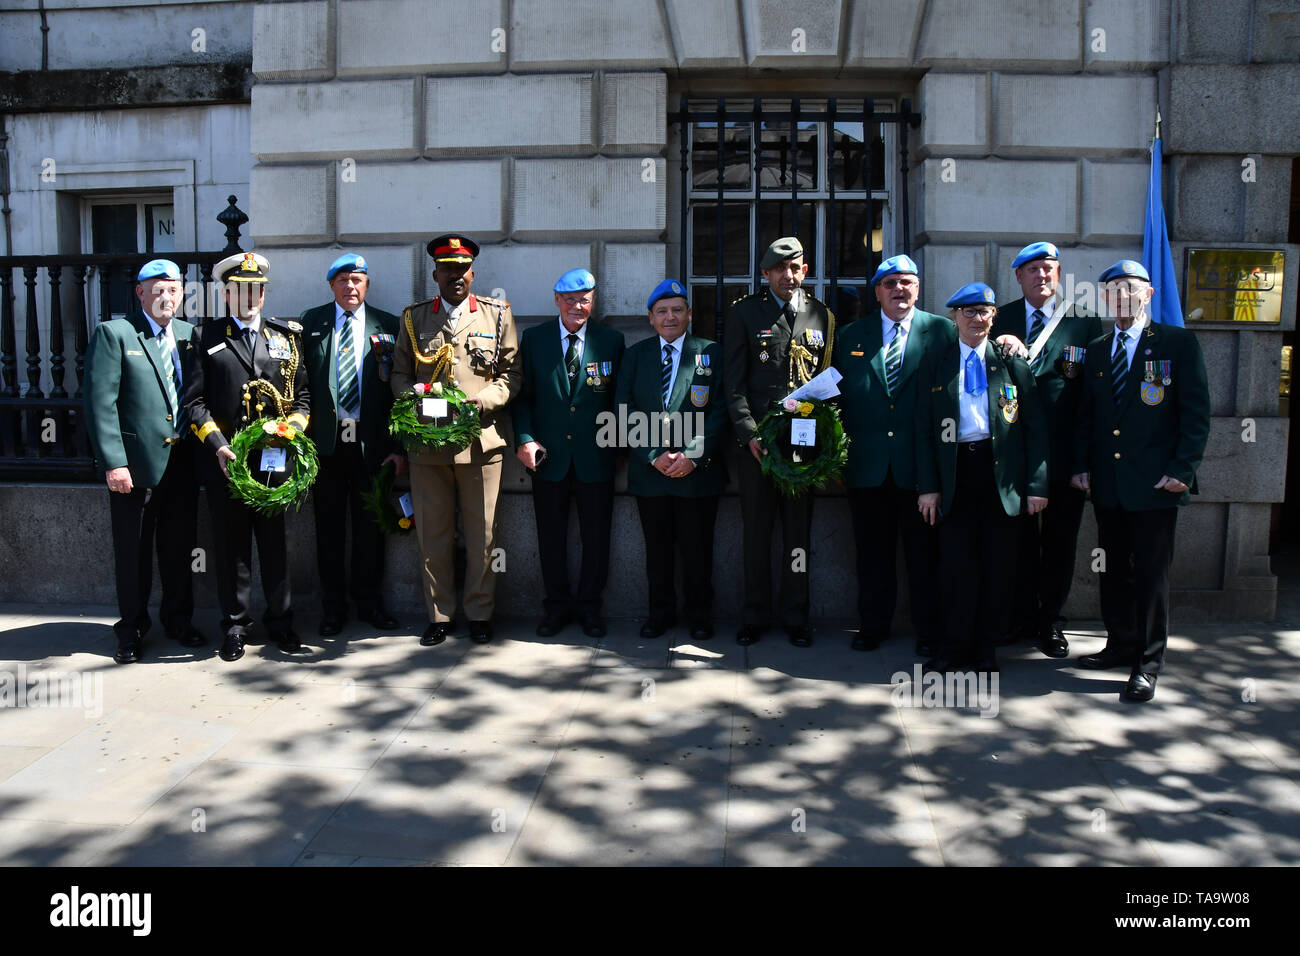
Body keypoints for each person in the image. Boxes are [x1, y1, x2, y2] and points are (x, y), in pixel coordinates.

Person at [1071, 260, 1210, 702]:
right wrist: (1081, 465)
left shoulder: (1176, 343)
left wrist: (1182, 470)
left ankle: (1147, 663)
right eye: (1111, 290)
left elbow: (1195, 414)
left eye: (1129, 288)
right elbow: (1087, 419)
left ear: (1147, 294)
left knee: (1151, 576)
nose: (1120, 297)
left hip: (1156, 485)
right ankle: (1119, 644)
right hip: (1109, 483)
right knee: (1113, 571)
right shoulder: (1096, 348)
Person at [391, 234, 521, 646]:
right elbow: (397, 373)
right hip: (428, 445)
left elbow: (511, 375)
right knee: (433, 534)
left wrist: (482, 402)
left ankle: (480, 613)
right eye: (448, 269)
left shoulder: (497, 315)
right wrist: (409, 394)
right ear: (436, 274)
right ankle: (440, 614)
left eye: (462, 269)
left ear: (472, 272)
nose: (456, 276)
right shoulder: (413, 319)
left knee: (483, 534)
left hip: (481, 442)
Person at [184, 251, 311, 662]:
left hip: (273, 461)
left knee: (275, 546)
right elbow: (195, 402)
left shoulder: (286, 336)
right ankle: (235, 625)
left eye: (257, 289)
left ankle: (281, 621)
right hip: (227, 462)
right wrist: (218, 443)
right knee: (232, 547)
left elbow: (303, 398)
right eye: (241, 289)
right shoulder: (205, 337)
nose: (250, 296)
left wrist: (290, 430)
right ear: (226, 294)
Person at [917, 282, 1048, 673]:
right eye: (969, 312)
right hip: (957, 471)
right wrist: (928, 487)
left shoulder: (1010, 360)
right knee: (956, 567)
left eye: (985, 311)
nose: (977, 319)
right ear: (954, 317)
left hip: (1001, 475)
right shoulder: (936, 360)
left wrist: (1036, 486)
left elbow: (1034, 428)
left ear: (994, 317)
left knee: (998, 566)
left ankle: (986, 649)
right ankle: (954, 646)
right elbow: (923, 429)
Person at [84, 258, 205, 664]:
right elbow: (101, 403)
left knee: (179, 547)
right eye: (157, 289)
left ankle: (178, 619)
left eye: (172, 289)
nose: (165, 296)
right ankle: (131, 629)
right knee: (133, 551)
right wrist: (113, 462)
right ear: (140, 293)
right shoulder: (115, 334)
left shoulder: (190, 335)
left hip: (183, 462)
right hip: (134, 467)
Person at [834, 254, 953, 656]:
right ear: (877, 292)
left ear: (917, 288)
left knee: (925, 557)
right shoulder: (851, 336)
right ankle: (873, 626)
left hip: (920, 470)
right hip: (867, 467)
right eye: (889, 284)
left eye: (906, 283)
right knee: (872, 555)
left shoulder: (942, 332)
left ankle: (929, 631)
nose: (898, 290)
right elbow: (835, 399)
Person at [993, 241, 1104, 659]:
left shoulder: (1083, 322)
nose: (1042, 276)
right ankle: (1018, 617)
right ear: (1018, 276)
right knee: (1016, 542)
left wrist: (1083, 461)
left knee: (1059, 542)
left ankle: (1050, 622)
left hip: (1061, 456)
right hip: (1012, 455)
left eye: (1049, 269)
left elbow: (1091, 398)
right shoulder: (997, 318)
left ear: (1059, 275)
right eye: (1033, 269)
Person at [723, 237, 833, 647]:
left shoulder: (821, 315)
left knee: (797, 535)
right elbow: (733, 385)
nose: (789, 276)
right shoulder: (745, 314)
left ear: (805, 270)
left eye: (797, 268)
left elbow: (826, 382)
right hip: (758, 447)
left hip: (803, 444)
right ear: (766, 274)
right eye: (780, 269)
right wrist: (750, 435)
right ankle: (754, 615)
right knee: (756, 532)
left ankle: (796, 616)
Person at [514, 268, 625, 638]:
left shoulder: (612, 341)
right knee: (551, 537)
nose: (578, 306)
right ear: (557, 300)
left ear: (593, 302)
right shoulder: (534, 339)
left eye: (585, 300)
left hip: (597, 458)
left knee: (596, 538)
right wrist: (525, 438)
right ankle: (556, 607)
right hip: (548, 459)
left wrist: (619, 446)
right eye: (571, 300)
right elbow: (523, 398)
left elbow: (619, 400)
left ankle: (591, 608)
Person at [614, 279, 727, 641]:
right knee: (657, 551)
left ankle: (699, 615)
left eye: (678, 310)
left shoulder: (710, 353)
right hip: (652, 473)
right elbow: (622, 408)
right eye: (662, 311)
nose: (670, 317)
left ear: (689, 315)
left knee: (698, 550)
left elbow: (722, 410)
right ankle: (659, 614)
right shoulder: (635, 356)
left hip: (697, 473)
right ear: (650, 318)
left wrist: (693, 455)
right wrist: (652, 454)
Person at [300, 253, 404, 636]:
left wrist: (398, 448)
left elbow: (399, 394)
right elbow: (300, 383)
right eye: (343, 280)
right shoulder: (311, 322)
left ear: (367, 285)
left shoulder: (389, 324)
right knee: (327, 530)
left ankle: (370, 604)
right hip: (326, 446)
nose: (350, 287)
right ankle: (332, 608)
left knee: (371, 529)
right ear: (331, 286)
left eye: (357, 280)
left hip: (371, 445)